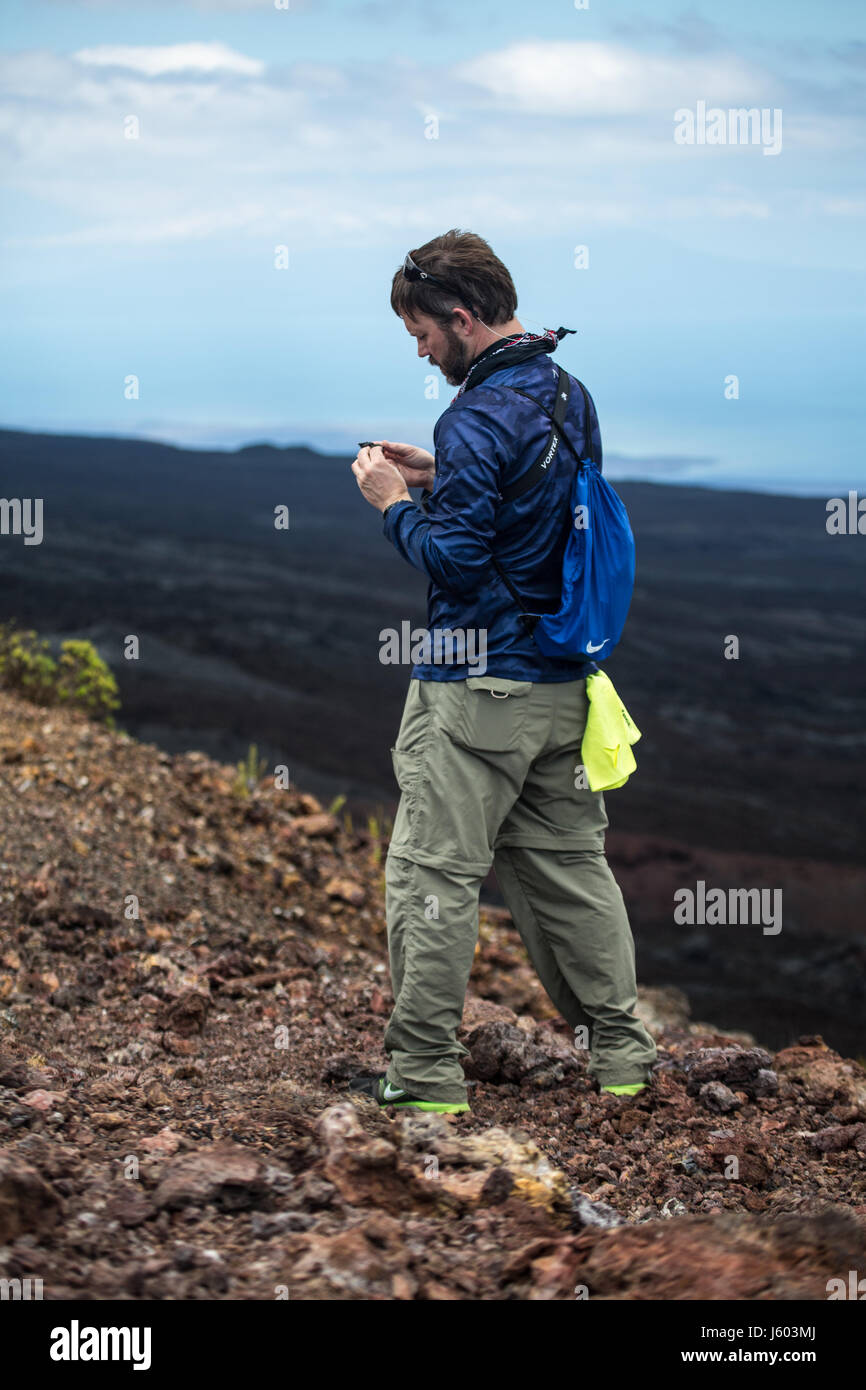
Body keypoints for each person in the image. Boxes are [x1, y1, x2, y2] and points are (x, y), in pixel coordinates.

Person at [349, 228, 657, 1114]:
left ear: (460, 315)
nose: (418, 350)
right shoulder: (568, 393)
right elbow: (548, 509)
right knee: (571, 871)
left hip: (474, 687)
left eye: (421, 333)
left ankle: (425, 1078)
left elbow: (454, 561)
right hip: (563, 685)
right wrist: (447, 473)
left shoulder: (476, 413)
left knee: (432, 875)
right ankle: (625, 1062)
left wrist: (394, 504)